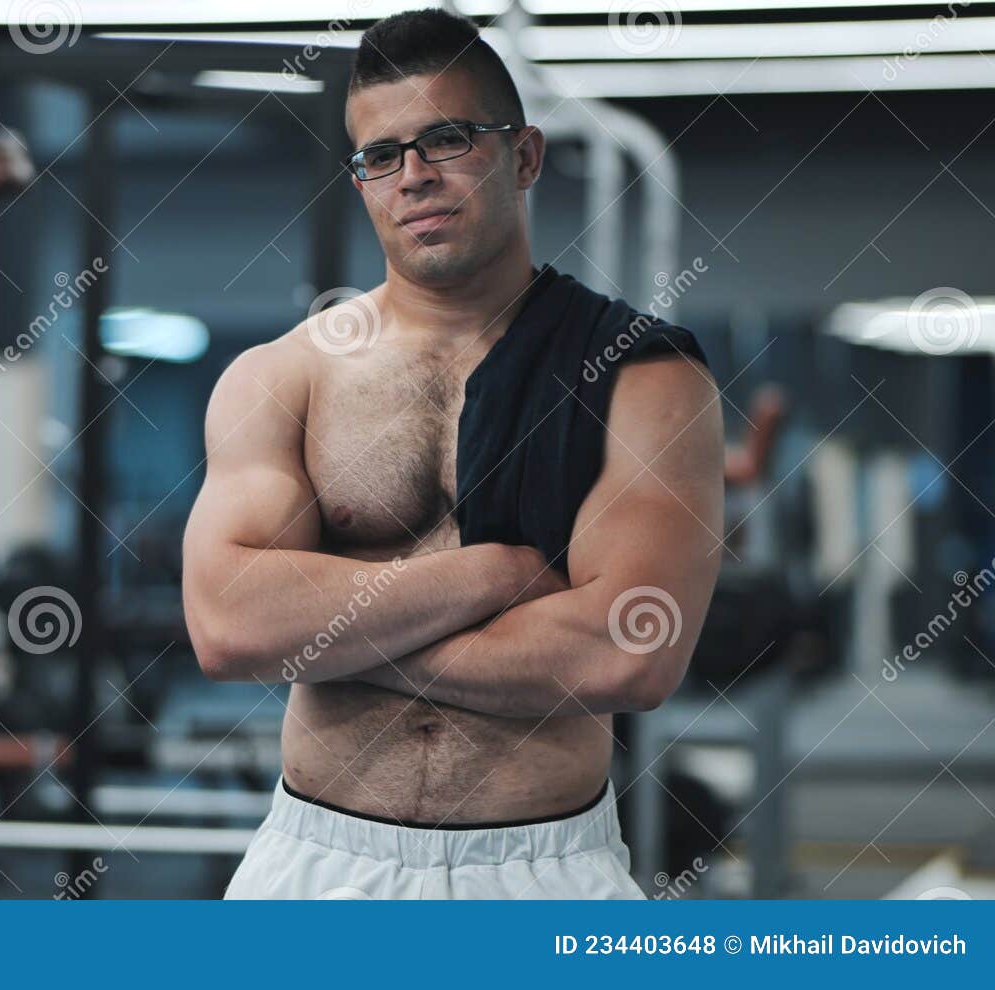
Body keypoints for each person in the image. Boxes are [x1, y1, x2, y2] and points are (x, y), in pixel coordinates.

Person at [182, 7, 724, 899]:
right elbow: (231, 625)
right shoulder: (283, 376)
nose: (415, 177)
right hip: (318, 866)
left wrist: (328, 638)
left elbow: (631, 652)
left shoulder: (644, 376)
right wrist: (495, 577)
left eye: (448, 139)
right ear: (361, 183)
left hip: (542, 873)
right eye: (383, 155)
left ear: (525, 157)